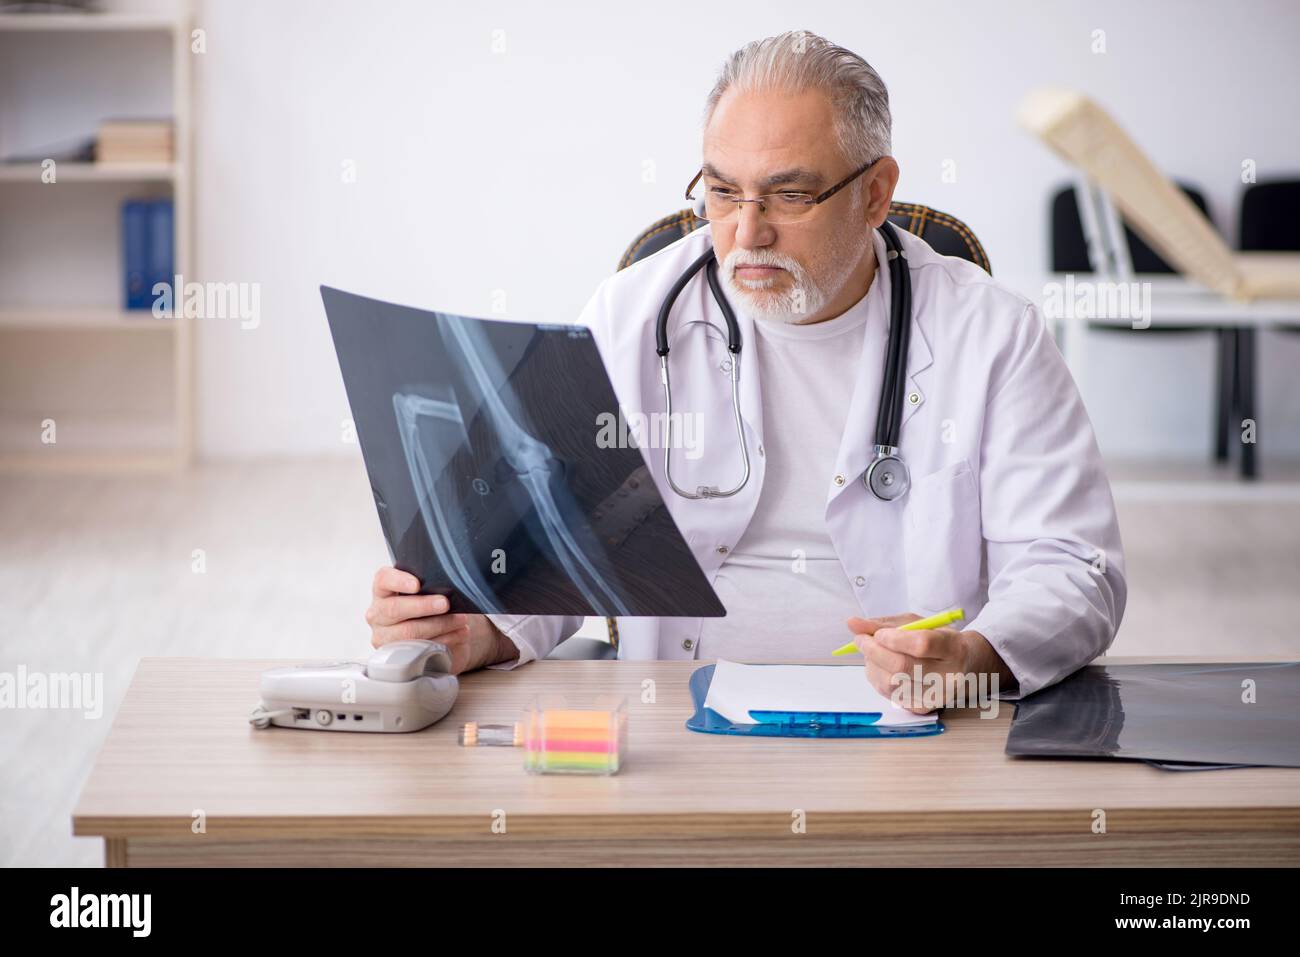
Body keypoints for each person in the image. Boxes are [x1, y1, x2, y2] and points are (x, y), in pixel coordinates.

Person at [365, 30, 1126, 709]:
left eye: (788, 194)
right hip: (680, 718)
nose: (746, 231)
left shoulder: (993, 335)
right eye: (722, 191)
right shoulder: (632, 315)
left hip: (912, 723)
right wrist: (482, 628)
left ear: (875, 193)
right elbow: (559, 549)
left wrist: (976, 658)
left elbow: (1072, 566)